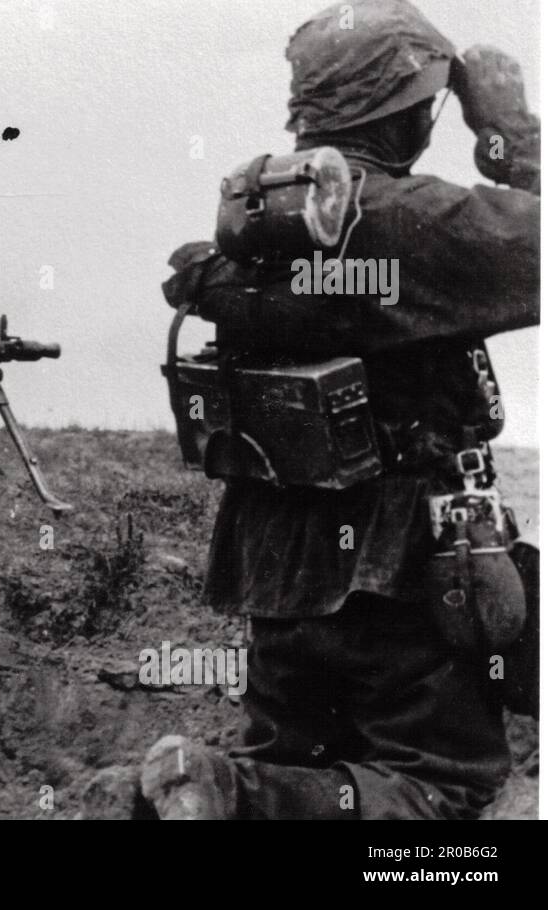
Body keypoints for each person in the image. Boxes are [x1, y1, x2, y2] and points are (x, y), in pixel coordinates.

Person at [143, 0, 539, 820]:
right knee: (439, 787)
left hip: (274, 562)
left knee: (297, 755)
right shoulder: (417, 218)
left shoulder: (257, 230)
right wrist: (508, 134)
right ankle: (245, 802)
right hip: (404, 568)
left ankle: (228, 791)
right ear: (408, 108)